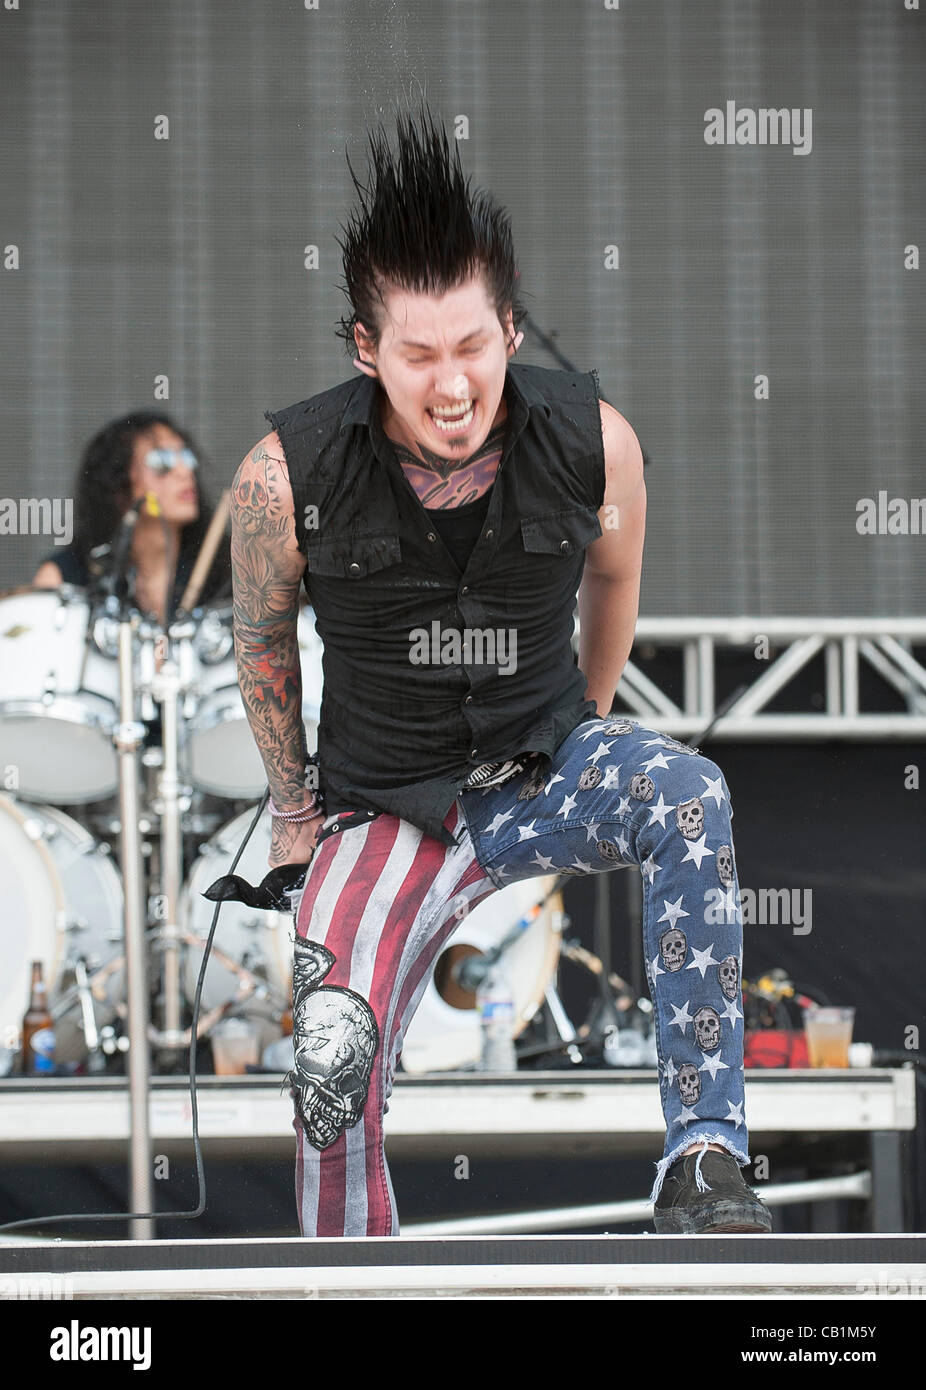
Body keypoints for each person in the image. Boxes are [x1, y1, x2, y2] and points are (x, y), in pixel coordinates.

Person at [230, 104, 772, 1237]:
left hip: (540, 762)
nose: (451, 384)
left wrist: (588, 723)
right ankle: (350, 1280)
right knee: (328, 1055)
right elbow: (261, 634)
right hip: (382, 803)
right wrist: (291, 810)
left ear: (511, 332)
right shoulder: (286, 475)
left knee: (688, 795)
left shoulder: (594, 442)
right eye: (418, 353)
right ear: (365, 348)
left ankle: (705, 1161)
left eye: (472, 345)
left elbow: (612, 584)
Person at [33, 411, 231, 623]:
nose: (184, 471)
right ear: (117, 486)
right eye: (162, 461)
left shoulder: (230, 571)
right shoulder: (66, 579)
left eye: (187, 457)